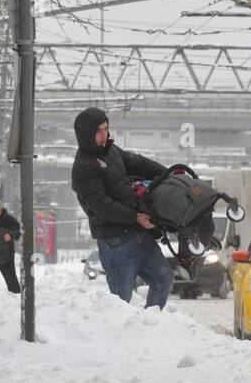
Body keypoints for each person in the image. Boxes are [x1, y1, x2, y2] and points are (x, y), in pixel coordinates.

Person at [70, 107, 174, 309]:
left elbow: (139, 163)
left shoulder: (111, 152)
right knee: (121, 302)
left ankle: (150, 325)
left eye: (106, 129)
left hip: (139, 233)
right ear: (85, 134)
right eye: (98, 130)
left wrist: (170, 174)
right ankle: (118, 338)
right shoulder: (83, 167)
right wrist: (135, 217)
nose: (104, 135)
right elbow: (101, 206)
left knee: (163, 279)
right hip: (116, 242)